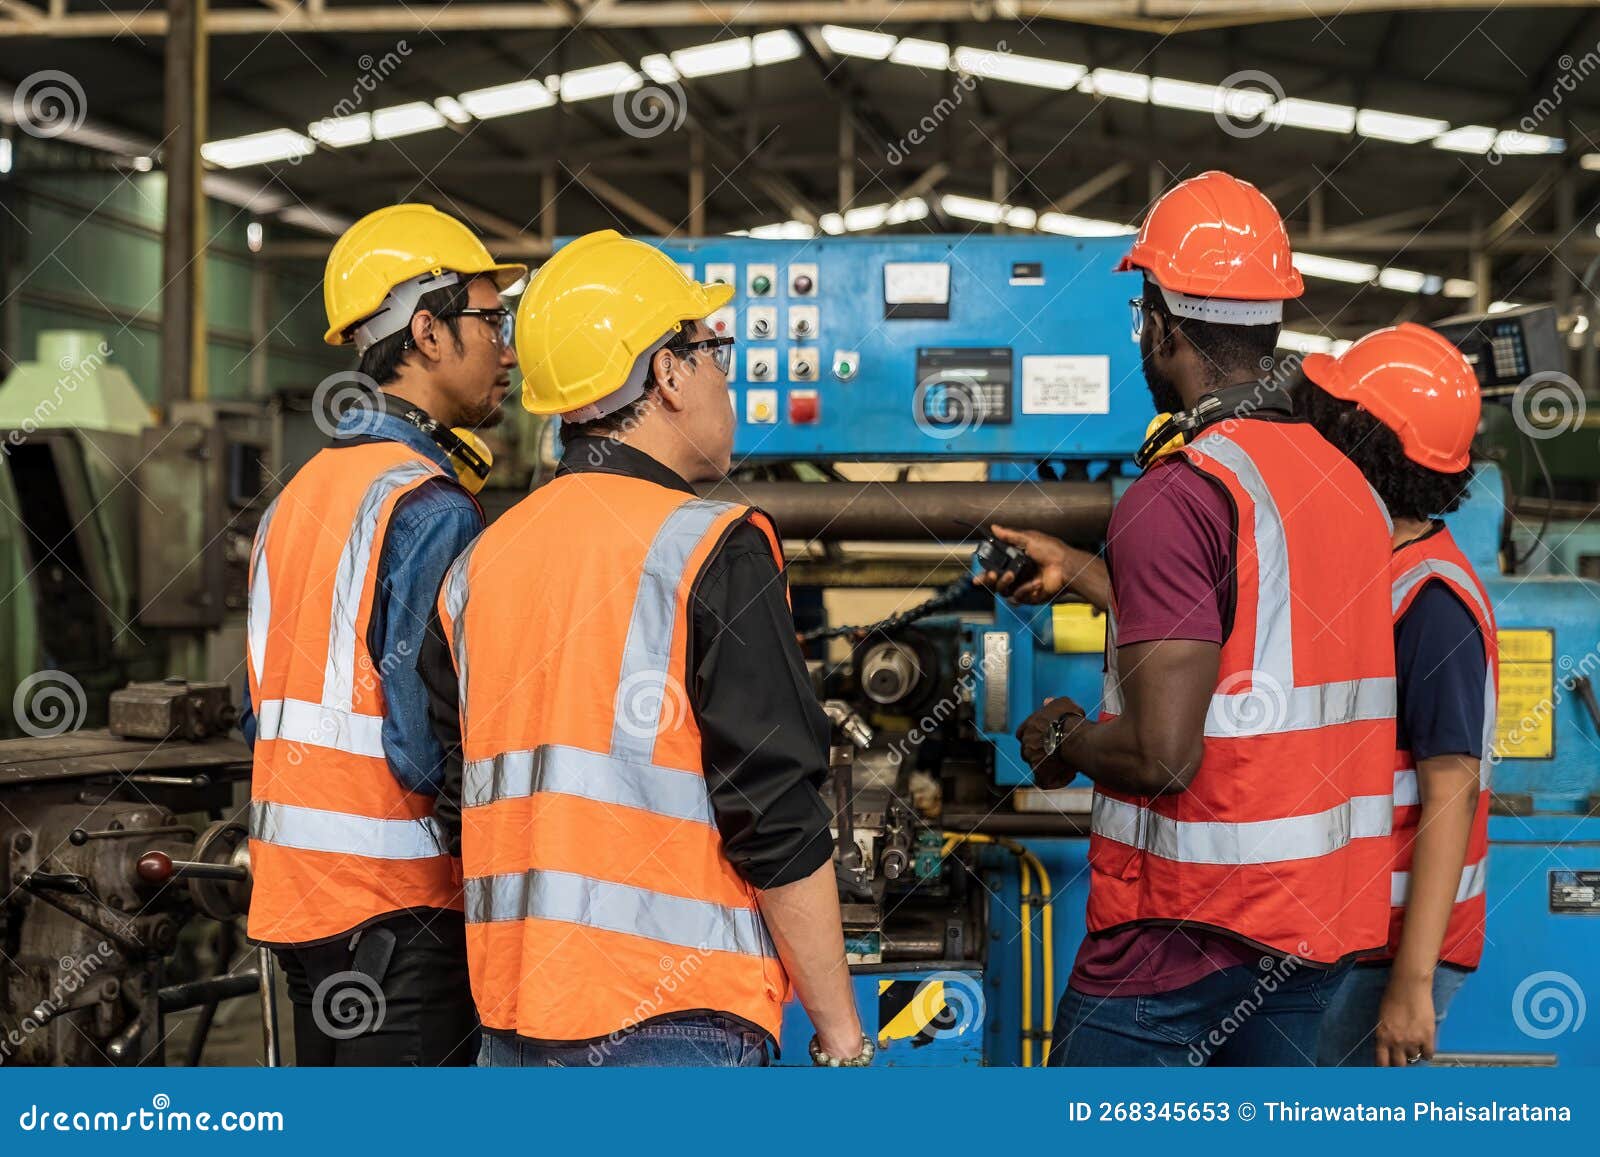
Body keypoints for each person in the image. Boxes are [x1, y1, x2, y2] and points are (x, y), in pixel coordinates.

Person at [419, 229, 869, 1068]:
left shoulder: (480, 562)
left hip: (513, 1024)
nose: (723, 378)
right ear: (667, 372)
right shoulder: (713, 546)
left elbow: (458, 799)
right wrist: (841, 1030)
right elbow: (772, 814)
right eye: (713, 351)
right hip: (674, 1023)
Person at [993, 171, 1398, 1066]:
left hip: (1177, 936)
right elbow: (1260, 634)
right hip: (1312, 929)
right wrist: (1096, 577)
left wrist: (1064, 737)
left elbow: (1161, 755)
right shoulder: (1348, 490)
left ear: (1160, 322)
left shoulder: (1178, 493)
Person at [241, 203, 524, 1065]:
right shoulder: (427, 506)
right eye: (492, 319)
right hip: (397, 906)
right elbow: (425, 744)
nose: (508, 348)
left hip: (299, 894)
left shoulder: (299, 495)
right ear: (429, 332)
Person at [1298, 325, 1496, 1068]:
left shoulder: (1433, 599)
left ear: (1367, 446)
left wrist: (1412, 986)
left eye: (1337, 423)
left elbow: (1452, 787)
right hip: (1352, 934)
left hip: (1392, 953)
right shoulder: (1372, 569)